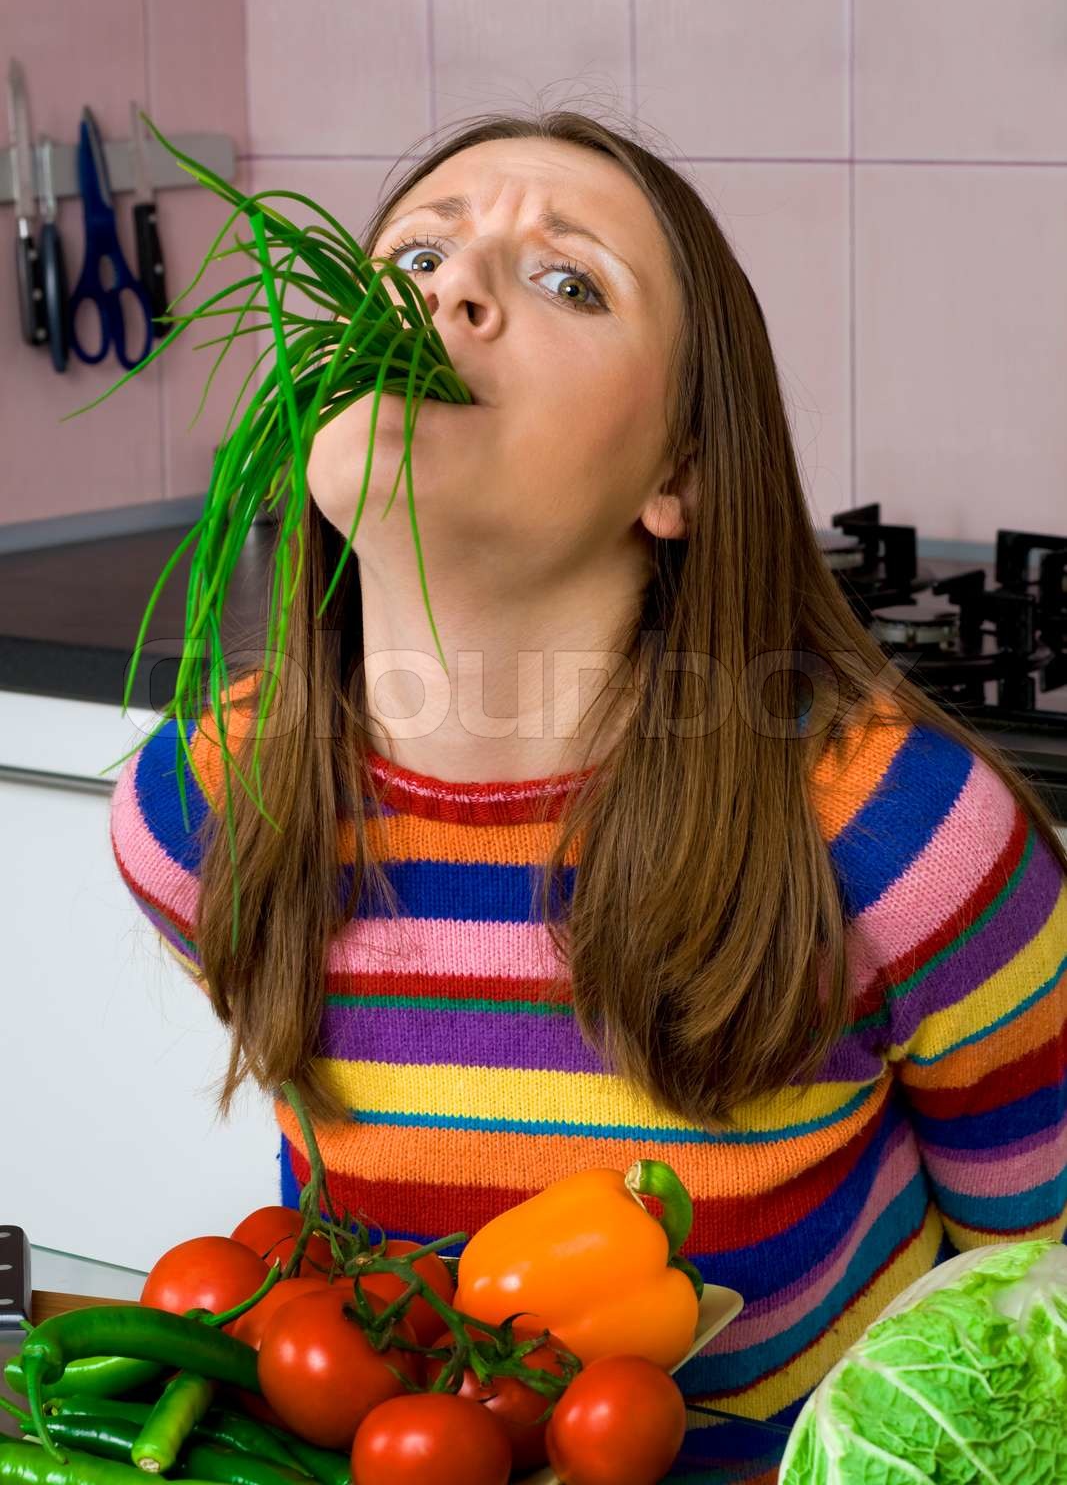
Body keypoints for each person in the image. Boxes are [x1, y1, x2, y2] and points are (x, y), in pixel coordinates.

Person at [110, 108, 1067, 1482]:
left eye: (569, 280)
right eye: (418, 254)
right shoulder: (199, 809)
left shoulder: (900, 838)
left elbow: (1031, 1302)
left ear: (677, 474)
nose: (449, 291)